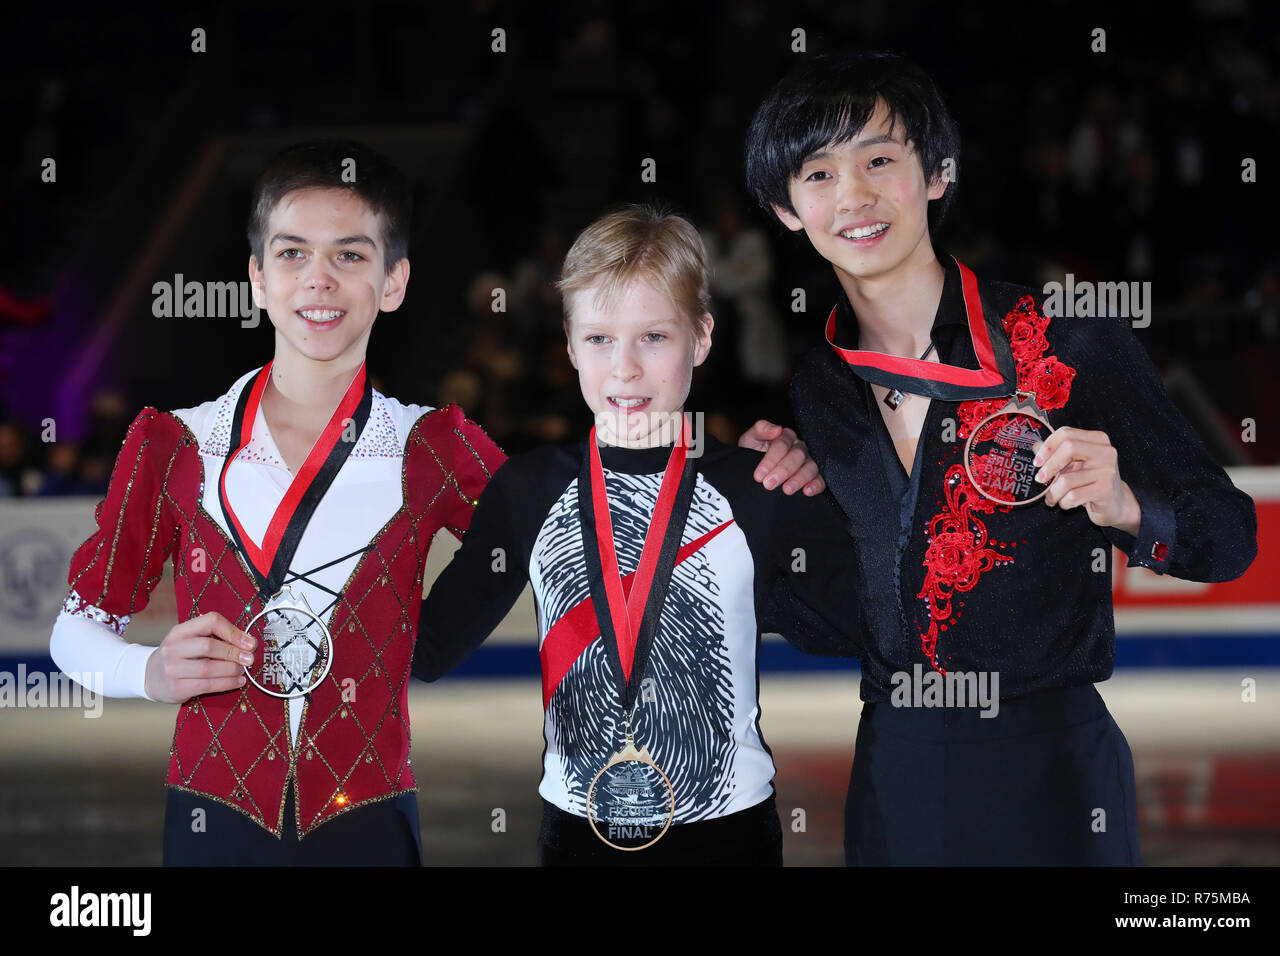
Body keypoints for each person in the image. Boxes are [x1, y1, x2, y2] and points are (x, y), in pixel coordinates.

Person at [48, 141, 823, 866]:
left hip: (370, 816)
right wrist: (147, 672)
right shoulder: (172, 445)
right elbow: (76, 629)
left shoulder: (436, 449)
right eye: (292, 254)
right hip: (211, 815)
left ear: (393, 282)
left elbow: (589, 496)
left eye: (349, 255)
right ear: (256, 277)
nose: (318, 280)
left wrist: (760, 475)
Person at [743, 51, 1258, 865]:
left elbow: (1230, 538)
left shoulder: (1068, 340)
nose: (855, 197)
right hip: (895, 767)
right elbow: (874, 613)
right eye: (818, 174)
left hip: (1053, 766)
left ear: (936, 175)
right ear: (785, 210)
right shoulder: (822, 388)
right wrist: (765, 518)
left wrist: (1126, 504)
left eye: (881, 159)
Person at [412, 205, 864, 866]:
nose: (624, 368)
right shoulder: (528, 490)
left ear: (702, 338)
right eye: (599, 339)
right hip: (578, 838)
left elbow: (874, 624)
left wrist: (840, 481)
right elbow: (424, 650)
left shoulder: (762, 484)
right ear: (567, 343)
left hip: (729, 838)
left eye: (654, 337)